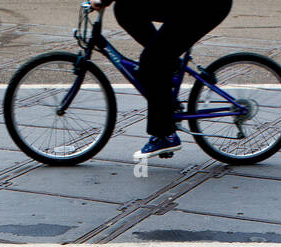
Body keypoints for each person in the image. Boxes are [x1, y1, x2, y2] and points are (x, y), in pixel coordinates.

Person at [89, 0, 233, 159]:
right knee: (126, 8)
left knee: (152, 61)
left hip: (204, 7)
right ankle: (168, 65)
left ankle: (165, 135)